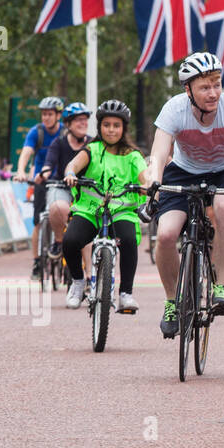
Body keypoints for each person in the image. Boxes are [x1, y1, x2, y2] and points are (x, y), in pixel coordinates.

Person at [146, 52, 224, 338]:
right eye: (205, 87)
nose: (213, 92)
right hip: (184, 171)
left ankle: (221, 287)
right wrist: (153, 189)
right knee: (167, 234)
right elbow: (158, 155)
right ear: (188, 90)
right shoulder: (174, 109)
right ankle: (172, 301)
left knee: (222, 207)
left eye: (217, 84)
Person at [60, 100, 150, 310]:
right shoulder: (91, 149)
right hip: (90, 210)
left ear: (123, 128)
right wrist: (71, 174)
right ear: (100, 127)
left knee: (128, 240)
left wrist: (148, 185)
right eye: (106, 125)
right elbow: (72, 165)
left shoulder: (132, 155)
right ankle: (78, 282)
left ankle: (126, 293)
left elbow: (145, 176)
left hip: (121, 210)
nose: (111, 130)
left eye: (116, 125)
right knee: (70, 241)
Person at [14, 96, 64, 278]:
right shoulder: (37, 132)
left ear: (58, 115)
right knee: (38, 222)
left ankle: (67, 257)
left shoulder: (65, 133)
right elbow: (26, 152)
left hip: (63, 181)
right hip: (41, 180)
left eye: (50, 114)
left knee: (68, 218)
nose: (46, 118)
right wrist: (21, 171)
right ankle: (37, 262)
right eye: (43, 114)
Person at [40, 102, 93, 255]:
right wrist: (44, 173)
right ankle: (58, 241)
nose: (83, 123)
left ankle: (90, 274)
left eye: (85, 119)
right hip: (61, 186)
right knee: (58, 207)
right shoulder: (59, 143)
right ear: (68, 124)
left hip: (86, 190)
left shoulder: (92, 143)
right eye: (78, 120)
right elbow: (49, 163)